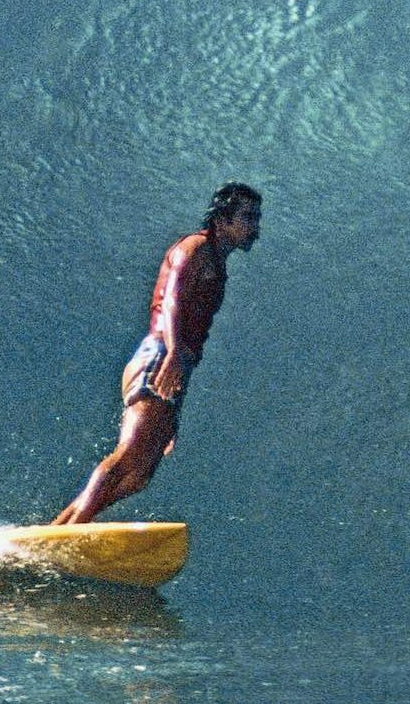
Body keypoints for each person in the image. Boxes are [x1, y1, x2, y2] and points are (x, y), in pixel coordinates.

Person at [51, 182, 263, 525]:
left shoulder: (217, 262)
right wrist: (174, 352)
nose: (255, 227)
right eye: (248, 217)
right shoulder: (195, 248)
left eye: (257, 218)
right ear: (222, 219)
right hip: (160, 353)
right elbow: (171, 302)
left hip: (175, 362)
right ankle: (73, 529)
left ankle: (63, 529)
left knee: (140, 473)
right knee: (128, 456)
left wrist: (172, 412)